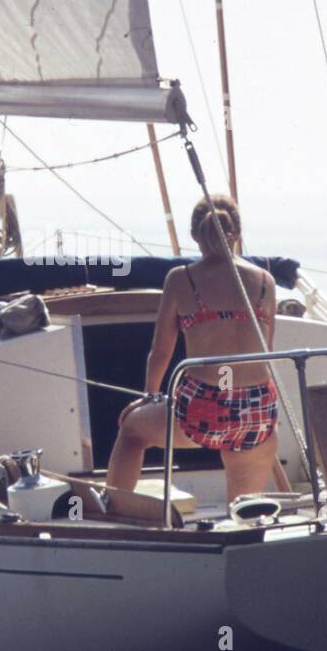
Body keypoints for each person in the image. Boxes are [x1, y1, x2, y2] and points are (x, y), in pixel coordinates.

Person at [105, 195, 279, 503]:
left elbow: (160, 352)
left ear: (195, 235)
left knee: (131, 430)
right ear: (237, 234)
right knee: (242, 512)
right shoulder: (266, 281)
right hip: (258, 411)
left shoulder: (180, 279)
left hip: (203, 410)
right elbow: (267, 351)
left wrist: (150, 396)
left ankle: (116, 508)